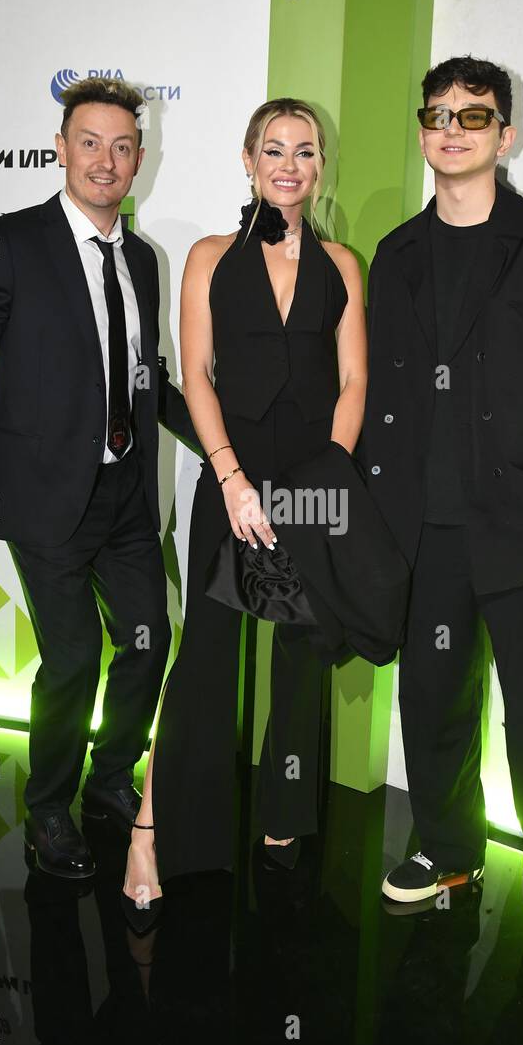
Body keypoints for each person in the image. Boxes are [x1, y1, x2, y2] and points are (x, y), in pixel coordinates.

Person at [360, 55, 523, 985]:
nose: (451, 129)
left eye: (473, 117)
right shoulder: (396, 252)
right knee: (433, 704)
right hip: (425, 531)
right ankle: (447, 850)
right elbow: (377, 387)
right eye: (436, 113)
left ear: (504, 136)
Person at [0, 77, 198, 881]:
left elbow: (148, 374)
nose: (105, 161)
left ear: (140, 159)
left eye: (121, 146)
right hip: (40, 493)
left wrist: (221, 444)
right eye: (89, 143)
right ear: (61, 148)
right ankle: (47, 807)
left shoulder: (143, 257)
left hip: (125, 493)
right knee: (73, 657)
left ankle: (111, 778)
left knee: (149, 639)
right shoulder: (11, 240)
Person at [123, 97, 367, 908]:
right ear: (248, 157)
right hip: (231, 480)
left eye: (305, 150)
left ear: (321, 164)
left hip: (313, 482)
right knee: (207, 656)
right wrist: (230, 478)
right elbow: (194, 375)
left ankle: (283, 818)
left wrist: (328, 474)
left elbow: (356, 379)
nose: (289, 164)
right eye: (274, 148)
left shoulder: (344, 265)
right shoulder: (208, 257)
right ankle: (154, 831)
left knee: (301, 652)